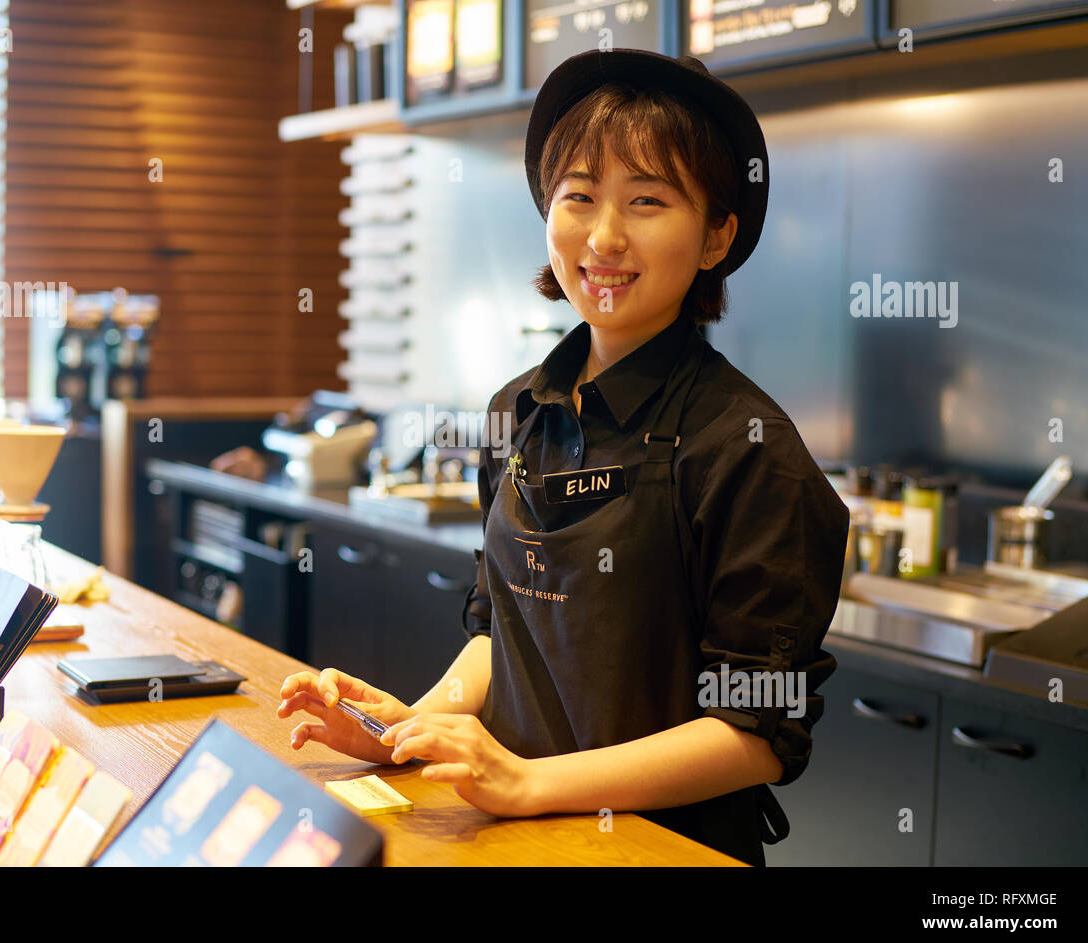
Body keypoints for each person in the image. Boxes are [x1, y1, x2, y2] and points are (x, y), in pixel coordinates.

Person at [277, 49, 850, 867]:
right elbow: (499, 634)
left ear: (717, 235)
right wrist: (400, 731)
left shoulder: (750, 451)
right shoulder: (516, 411)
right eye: (578, 197)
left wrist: (527, 783)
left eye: (647, 201)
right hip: (512, 842)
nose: (605, 236)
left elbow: (755, 735)